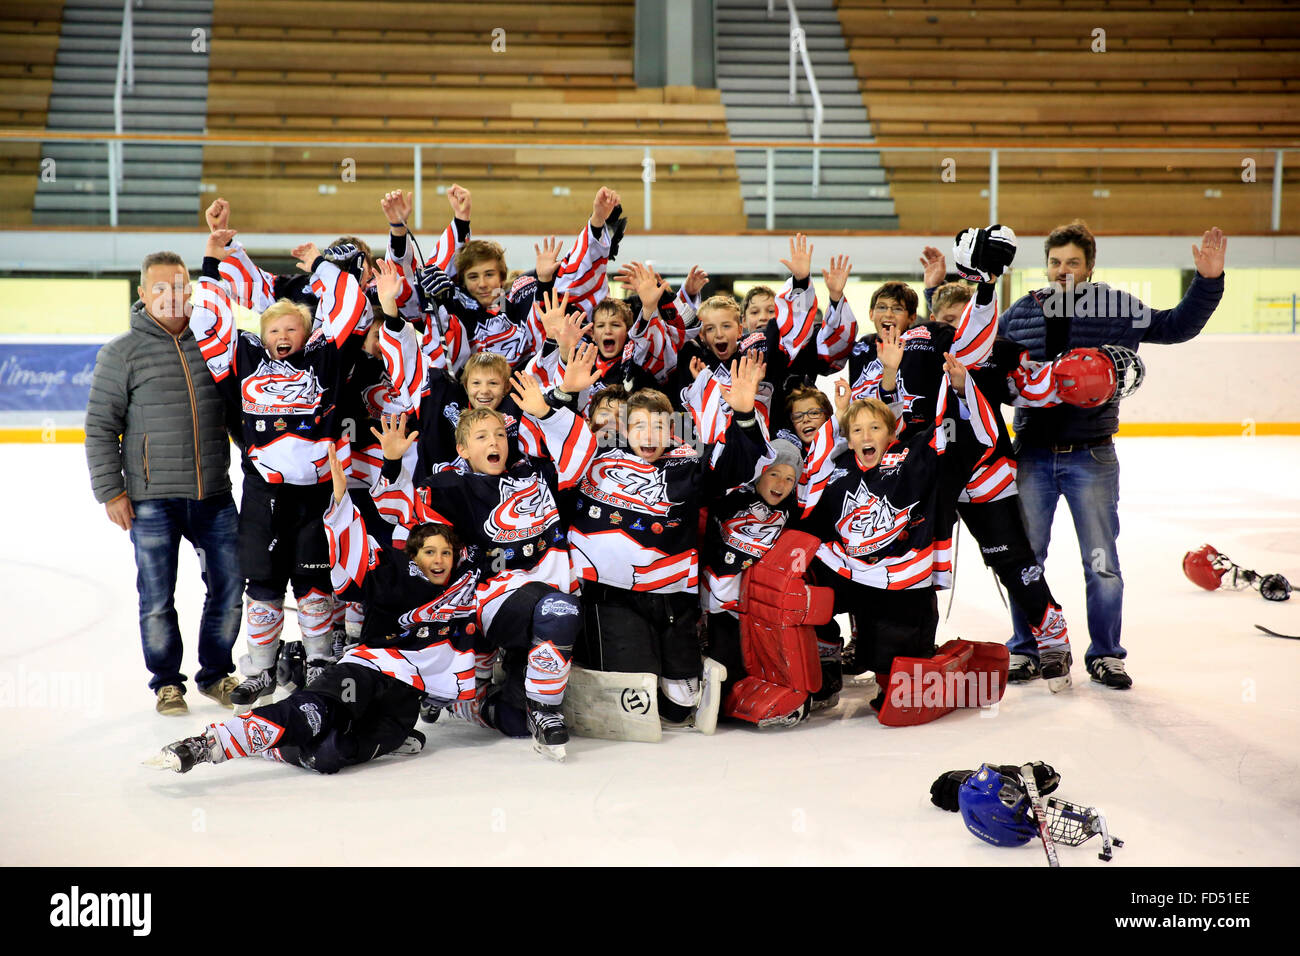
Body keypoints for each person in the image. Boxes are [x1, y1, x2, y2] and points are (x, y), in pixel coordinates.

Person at [998, 221, 1227, 688]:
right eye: (1055, 262)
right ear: (1045, 265)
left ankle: (1105, 654)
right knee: (1027, 559)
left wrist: (1207, 281)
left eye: (1073, 263)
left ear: (1090, 267)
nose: (1063, 271)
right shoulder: (1020, 313)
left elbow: (1175, 326)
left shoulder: (1117, 308)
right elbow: (996, 376)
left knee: (1101, 562)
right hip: (1033, 455)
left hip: (1092, 457)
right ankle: (1024, 648)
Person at [85, 251, 243, 715]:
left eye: (178, 287)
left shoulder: (212, 341)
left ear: (189, 290)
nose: (170, 297)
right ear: (142, 294)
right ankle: (167, 683)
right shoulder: (122, 352)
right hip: (151, 497)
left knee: (229, 586)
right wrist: (111, 491)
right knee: (157, 596)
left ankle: (216, 674)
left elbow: (239, 409)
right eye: (159, 289)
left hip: (213, 492)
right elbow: (100, 425)